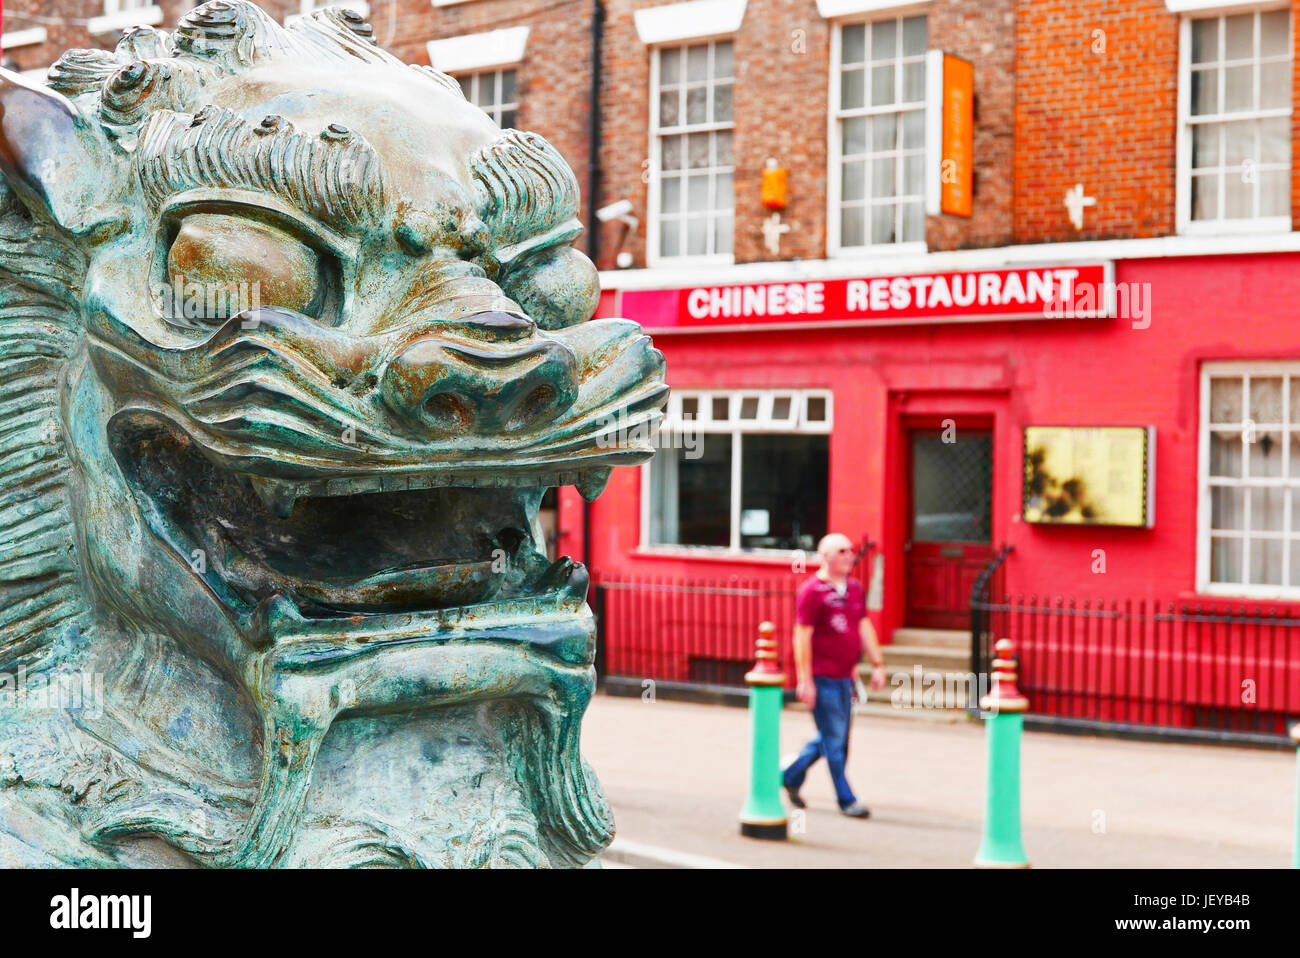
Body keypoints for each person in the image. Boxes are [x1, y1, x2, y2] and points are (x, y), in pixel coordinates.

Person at [781, 532, 886, 818]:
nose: (849, 555)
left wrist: (877, 664)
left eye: (850, 550)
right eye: (841, 551)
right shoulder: (812, 592)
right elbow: (802, 636)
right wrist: (805, 679)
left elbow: (863, 626)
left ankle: (790, 774)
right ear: (825, 556)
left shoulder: (854, 589)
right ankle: (846, 798)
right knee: (835, 739)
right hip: (822, 676)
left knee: (833, 737)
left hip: (844, 677)